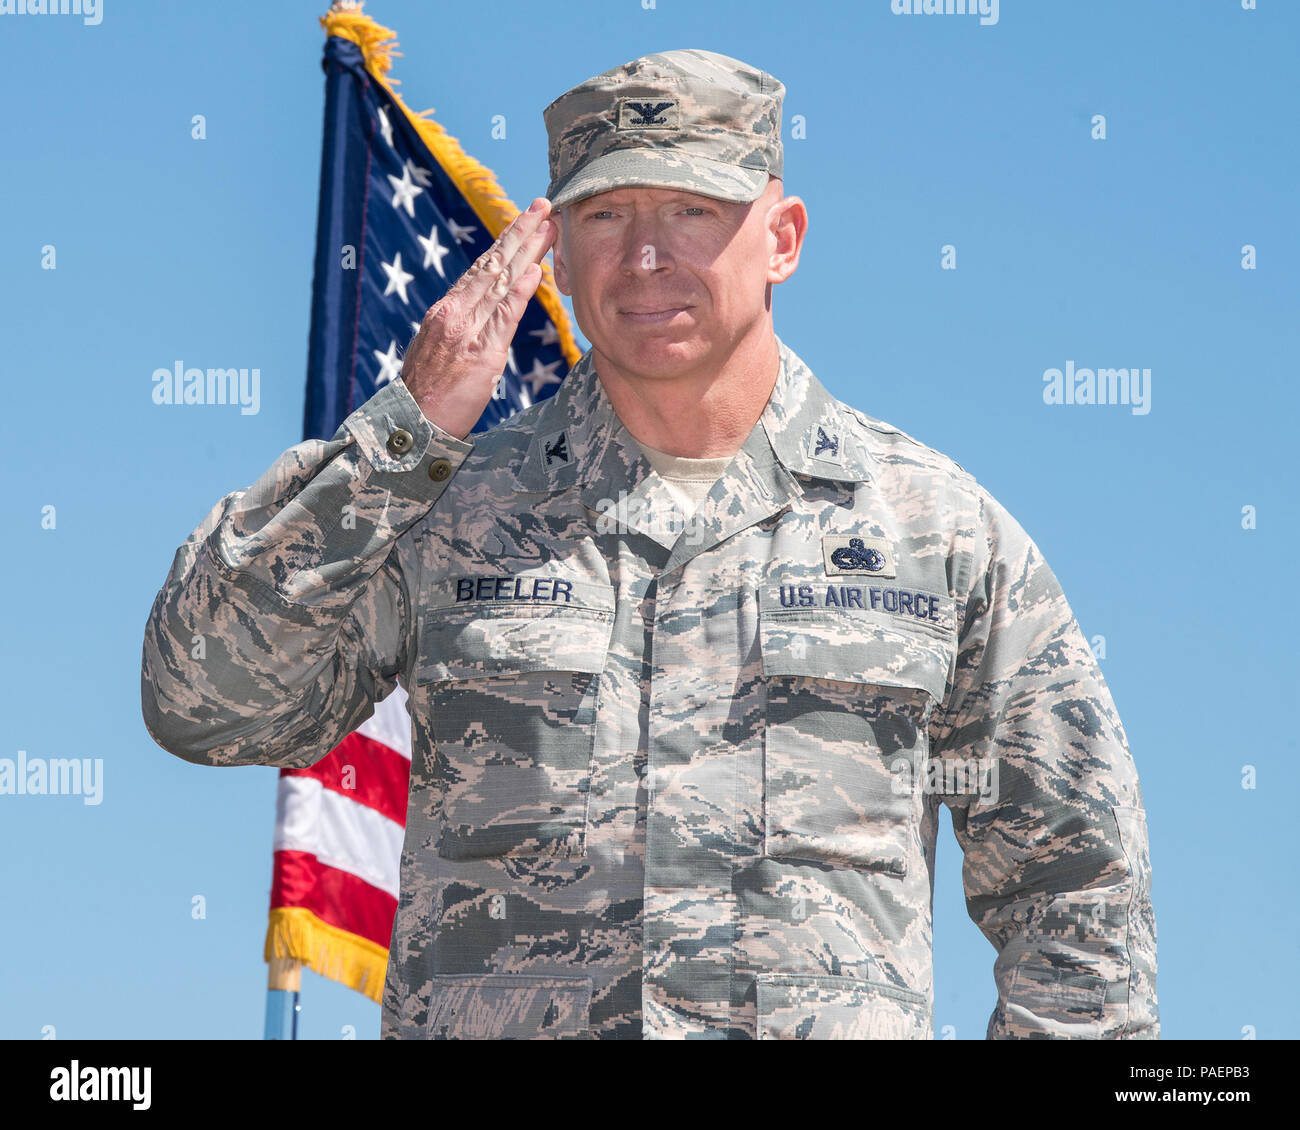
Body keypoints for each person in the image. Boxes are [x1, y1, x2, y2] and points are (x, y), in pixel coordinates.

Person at [141, 48, 1158, 1039]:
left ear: (784, 237)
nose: (643, 257)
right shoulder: (446, 511)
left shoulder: (936, 533)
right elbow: (209, 707)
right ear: (555, 246)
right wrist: (401, 436)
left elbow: (1078, 889)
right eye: (603, 214)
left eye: (692, 210)